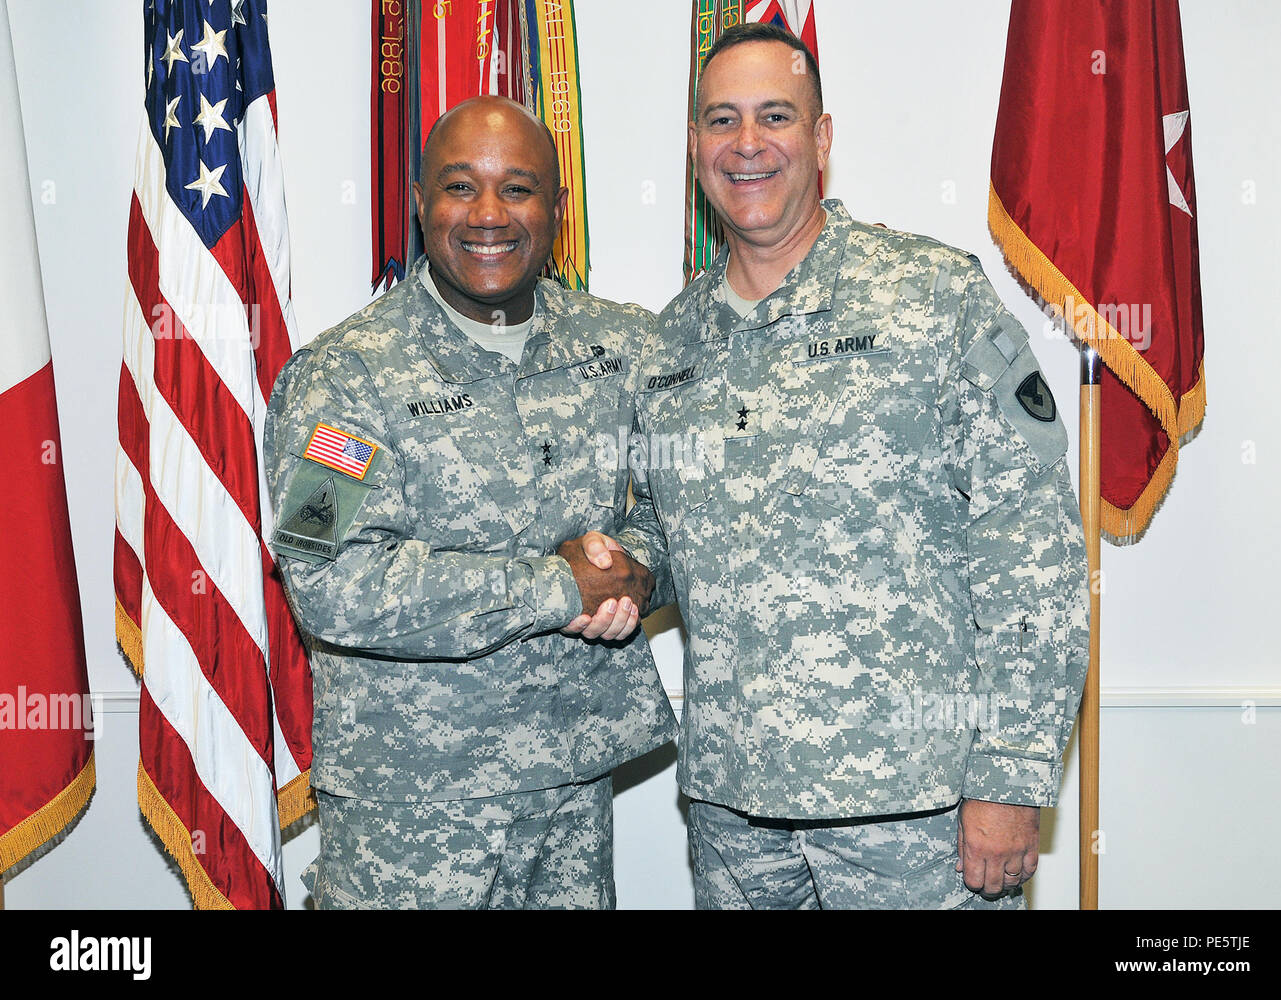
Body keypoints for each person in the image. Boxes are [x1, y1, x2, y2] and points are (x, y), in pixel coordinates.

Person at [625, 23, 1089, 908]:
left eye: (776, 117)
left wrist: (1011, 776)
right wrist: (612, 571)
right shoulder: (670, 345)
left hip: (917, 813)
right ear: (694, 149)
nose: (748, 144)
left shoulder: (932, 296)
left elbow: (1031, 549)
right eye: (722, 121)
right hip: (735, 819)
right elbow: (662, 534)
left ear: (822, 136)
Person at [264, 96, 676, 909]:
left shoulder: (621, 347)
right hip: (410, 821)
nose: (489, 215)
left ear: (557, 209)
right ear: (420, 203)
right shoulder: (344, 375)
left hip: (570, 795)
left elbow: (676, 509)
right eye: (460, 187)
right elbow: (330, 579)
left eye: (518, 189)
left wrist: (636, 572)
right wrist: (557, 588)